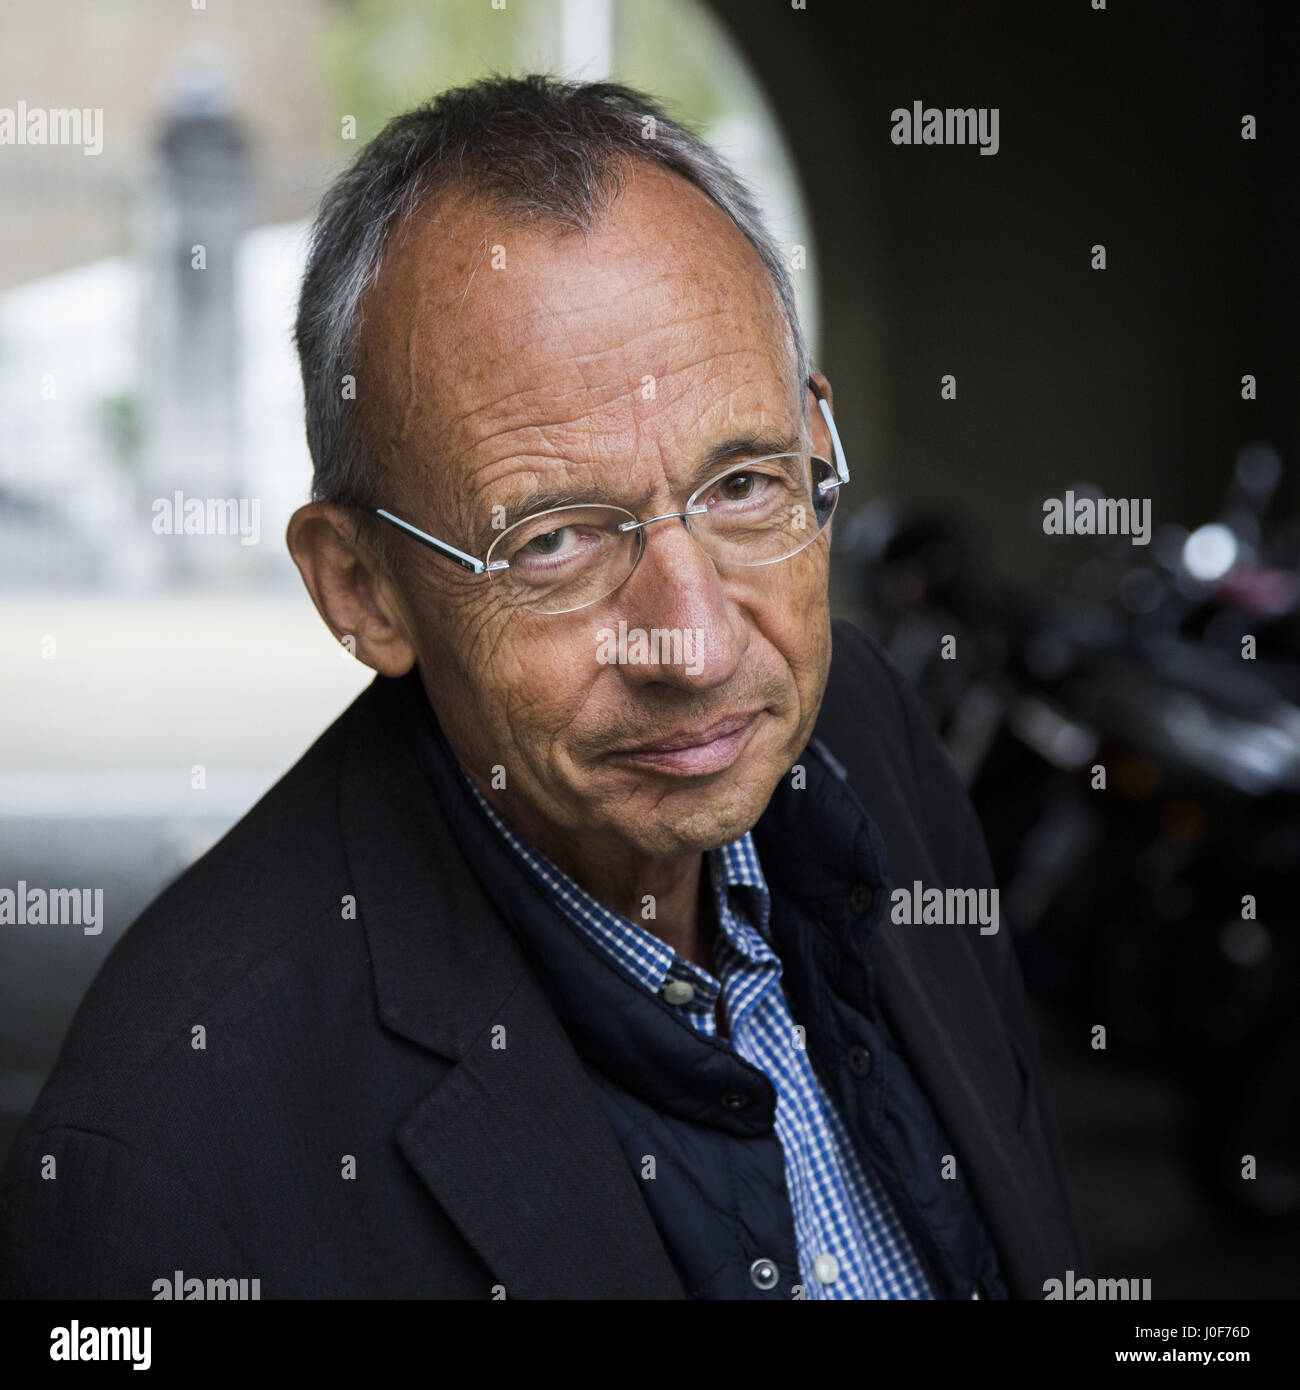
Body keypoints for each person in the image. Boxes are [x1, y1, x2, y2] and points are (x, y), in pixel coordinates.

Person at [0, 74, 1086, 1300]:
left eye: (742, 485)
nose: (698, 646)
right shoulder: (163, 1167)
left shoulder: (863, 729)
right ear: (361, 589)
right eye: (554, 541)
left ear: (815, 442)